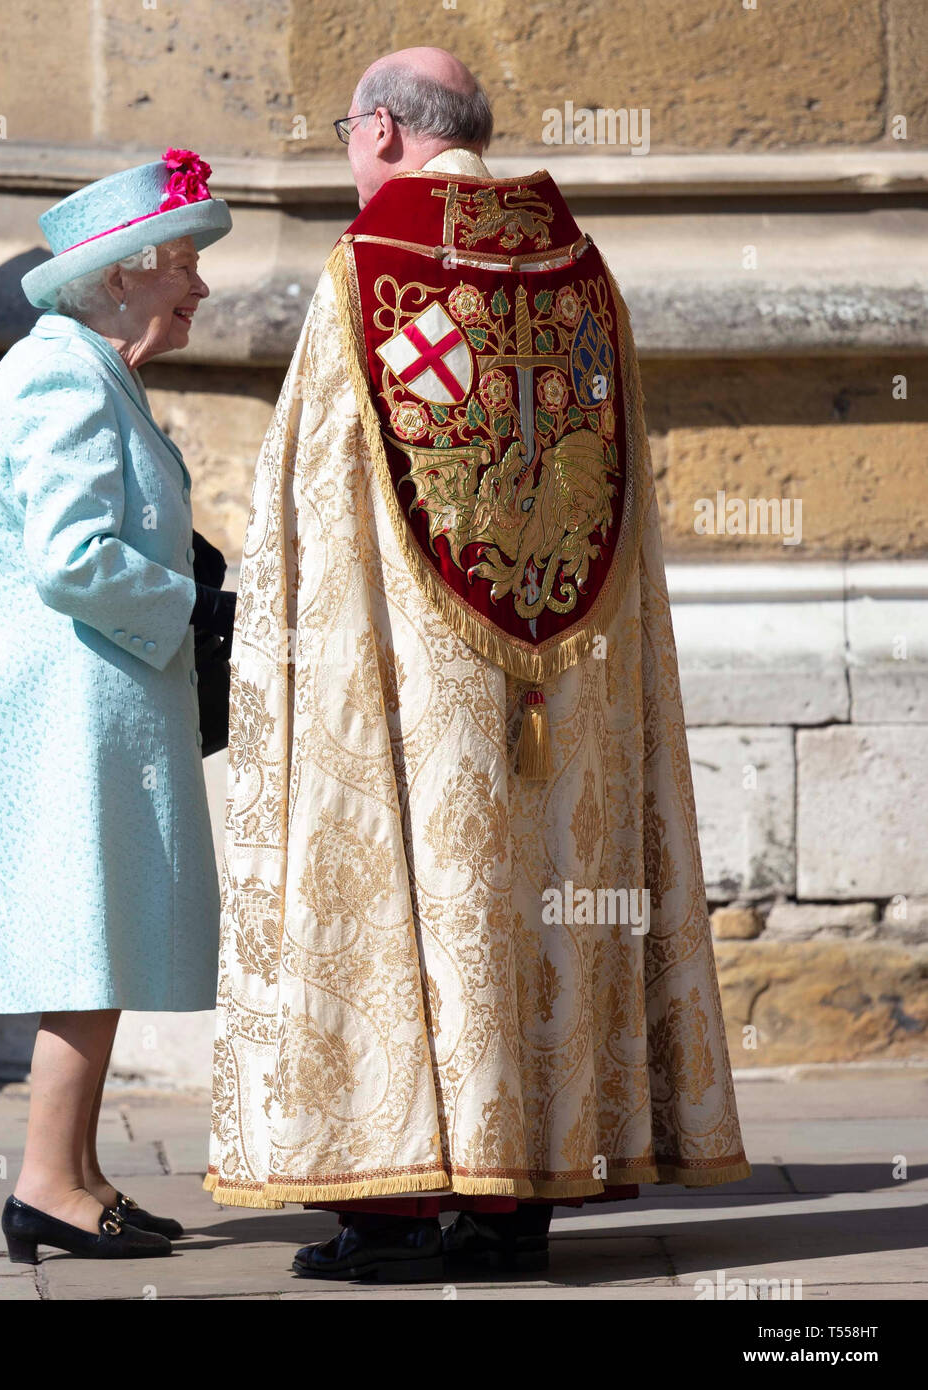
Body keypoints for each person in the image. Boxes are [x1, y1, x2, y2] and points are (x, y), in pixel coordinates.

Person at [205, 48, 751, 1281]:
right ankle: (521, 1205)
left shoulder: (367, 272)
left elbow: (313, 499)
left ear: (389, 131)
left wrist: (295, 659)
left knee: (411, 902)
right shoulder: (584, 272)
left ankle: (392, 1210)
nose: (351, 151)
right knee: (542, 907)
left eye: (350, 128)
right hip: (569, 683)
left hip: (412, 678)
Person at [0, 151, 235, 1262]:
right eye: (184, 266)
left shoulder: (92, 367)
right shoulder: (60, 374)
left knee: (96, 942)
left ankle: (76, 1171)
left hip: (94, 708)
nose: (200, 289)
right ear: (120, 278)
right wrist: (198, 605)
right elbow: (72, 561)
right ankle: (47, 1181)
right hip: (68, 715)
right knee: (81, 945)